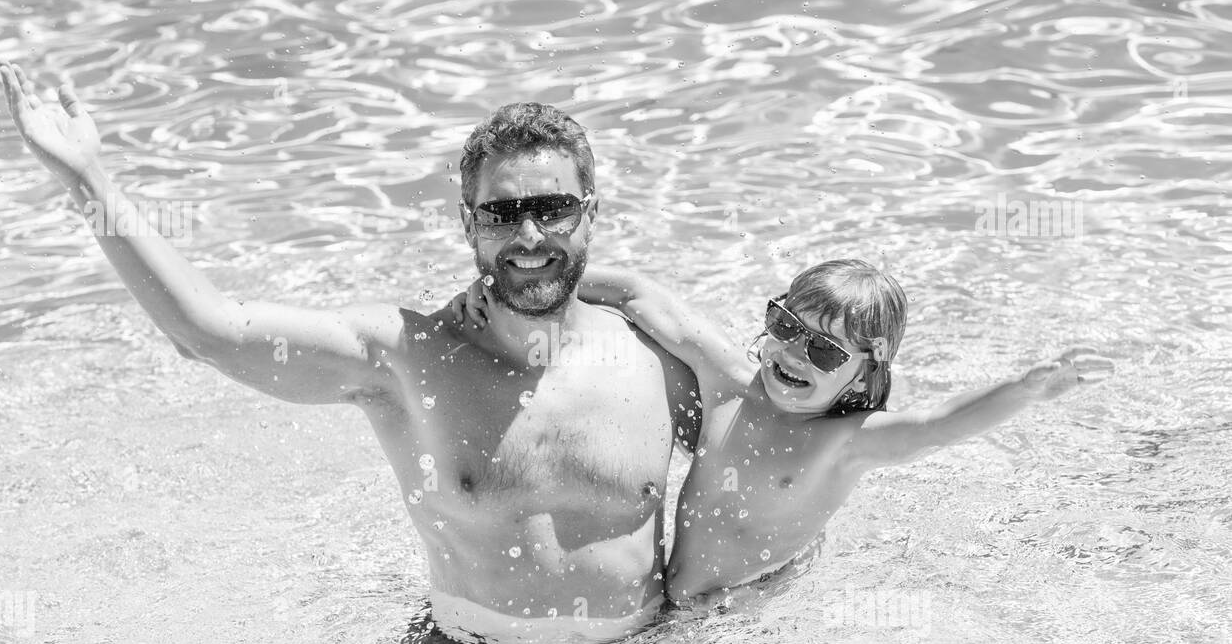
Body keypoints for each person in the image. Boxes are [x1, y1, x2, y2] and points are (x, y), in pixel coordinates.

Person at [0, 62, 699, 644]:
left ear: (592, 211)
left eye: (553, 208)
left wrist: (644, 294)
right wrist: (88, 180)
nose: (530, 234)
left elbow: (786, 431)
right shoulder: (408, 359)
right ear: (467, 224)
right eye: (500, 214)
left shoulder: (655, 359)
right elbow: (204, 332)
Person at [450, 258, 1114, 602]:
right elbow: (634, 294)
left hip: (741, 605)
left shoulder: (843, 444)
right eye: (786, 326)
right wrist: (513, 293)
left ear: (862, 374)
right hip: (677, 593)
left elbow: (941, 426)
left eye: (825, 352)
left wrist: (1028, 388)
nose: (794, 353)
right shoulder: (730, 383)